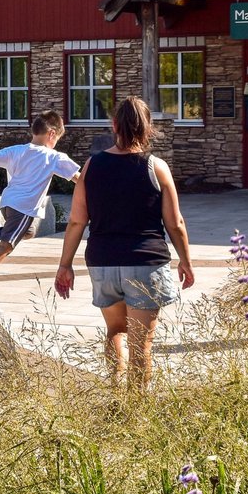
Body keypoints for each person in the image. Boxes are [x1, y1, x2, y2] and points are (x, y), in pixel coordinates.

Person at [54, 97, 194, 391]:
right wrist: (186, 261)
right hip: (146, 264)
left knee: (114, 330)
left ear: (114, 125)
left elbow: (77, 221)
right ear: (148, 129)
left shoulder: (92, 166)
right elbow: (175, 223)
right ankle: (136, 407)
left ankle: (114, 388)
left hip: (103, 262)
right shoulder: (157, 168)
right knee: (141, 343)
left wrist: (65, 265)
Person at [0, 110, 80, 308]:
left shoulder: (16, 150)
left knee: (29, 232)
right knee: (6, 246)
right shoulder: (54, 157)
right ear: (51, 134)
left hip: (7, 204)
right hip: (24, 209)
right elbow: (79, 178)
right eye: (57, 138)